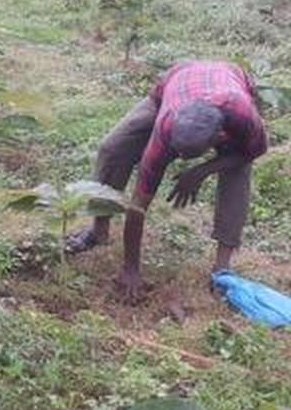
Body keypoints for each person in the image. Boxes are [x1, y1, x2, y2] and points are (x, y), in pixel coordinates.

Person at [66, 60, 268, 303]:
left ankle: (222, 268)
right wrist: (131, 269)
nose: (179, 157)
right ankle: (99, 231)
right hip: (178, 81)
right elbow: (138, 204)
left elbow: (255, 151)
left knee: (237, 171)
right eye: (177, 150)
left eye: (188, 154)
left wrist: (201, 171)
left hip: (228, 81)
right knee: (113, 149)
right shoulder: (165, 127)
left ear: (219, 137)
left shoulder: (243, 117)